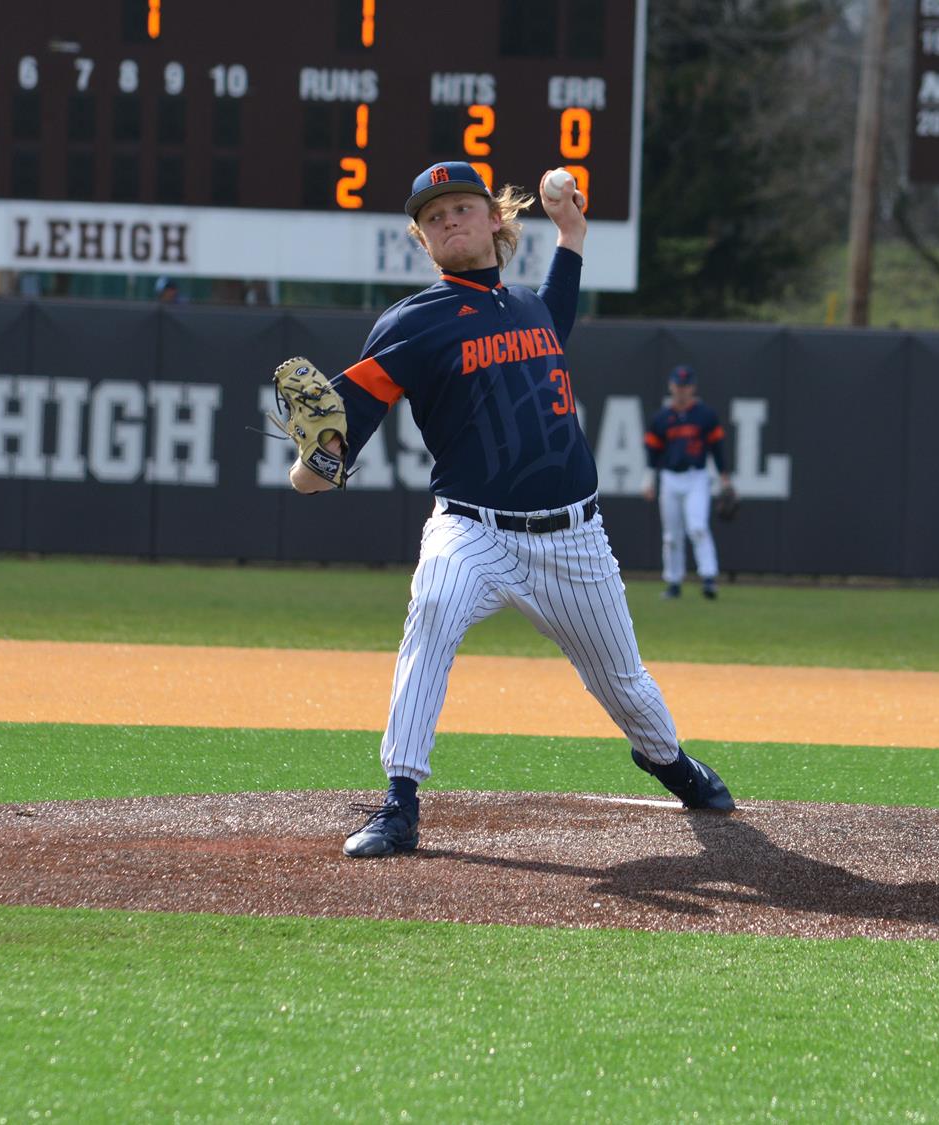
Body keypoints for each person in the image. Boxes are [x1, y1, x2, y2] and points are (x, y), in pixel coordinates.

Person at [282, 161, 734, 858]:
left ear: (495, 219)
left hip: (574, 537)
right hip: (472, 528)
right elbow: (332, 452)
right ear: (422, 241)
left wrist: (572, 232)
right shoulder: (412, 323)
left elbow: (559, 301)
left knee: (624, 682)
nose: (448, 221)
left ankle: (668, 760)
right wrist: (313, 466)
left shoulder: (529, 308)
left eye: (462, 207)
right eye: (433, 218)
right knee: (431, 610)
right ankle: (400, 799)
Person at [642, 366, 732, 600]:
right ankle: (673, 582)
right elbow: (652, 453)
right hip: (670, 478)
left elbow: (717, 449)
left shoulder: (706, 415)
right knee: (671, 535)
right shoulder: (661, 418)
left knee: (698, 527)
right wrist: (649, 480)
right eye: (678, 386)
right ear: (671, 386)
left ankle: (709, 578)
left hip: (697, 477)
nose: (681, 391)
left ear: (693, 387)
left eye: (685, 386)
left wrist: (724, 477)